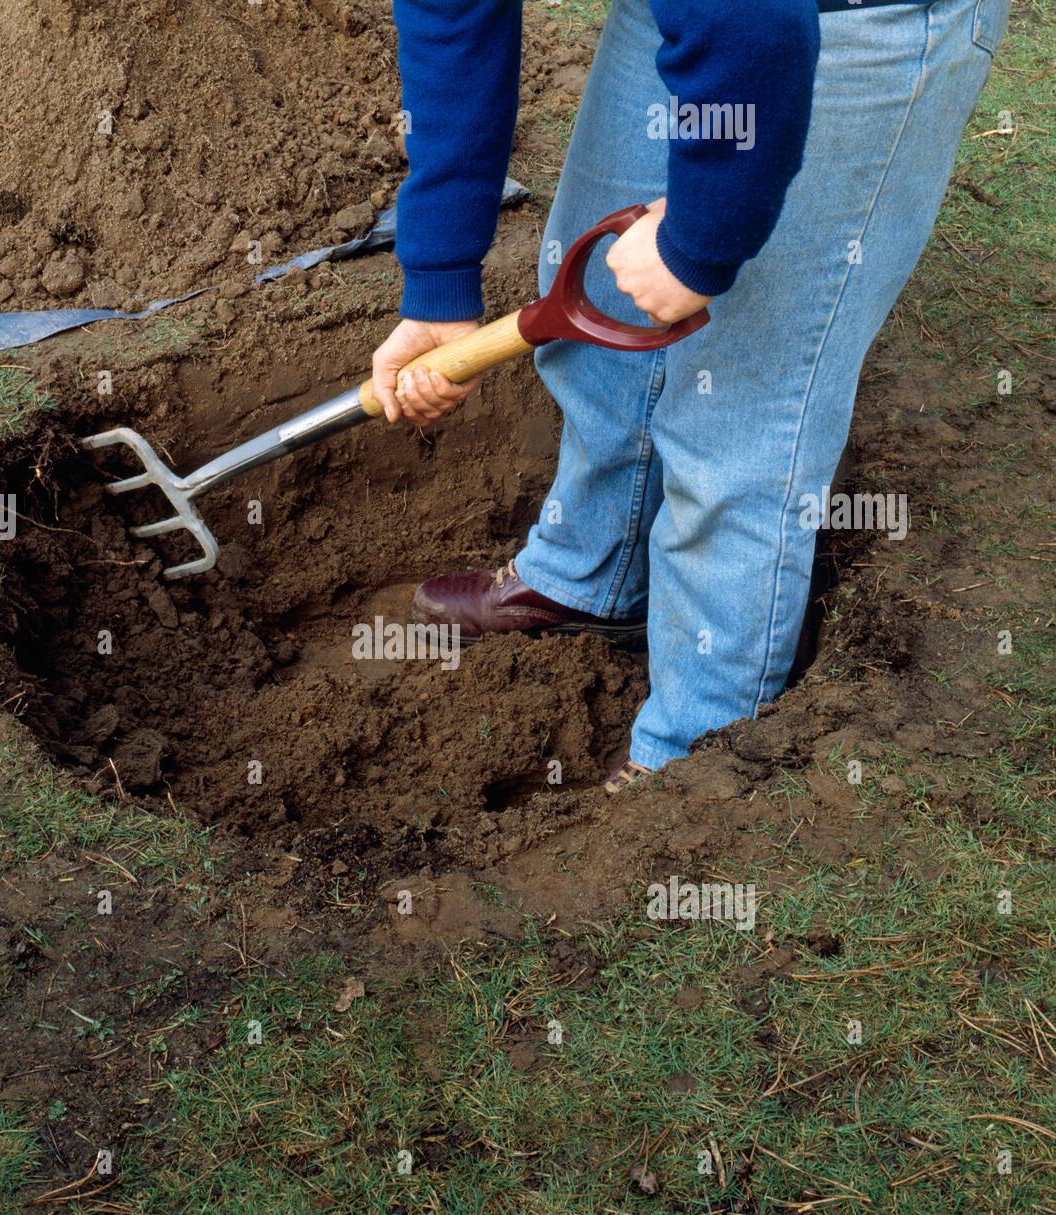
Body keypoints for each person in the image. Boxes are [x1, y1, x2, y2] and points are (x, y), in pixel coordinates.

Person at [371, 0, 1008, 791]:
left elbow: (758, 31)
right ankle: (589, 573)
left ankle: (697, 753)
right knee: (592, 306)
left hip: (845, 20)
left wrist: (700, 246)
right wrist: (439, 274)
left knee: (741, 411)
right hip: (706, 16)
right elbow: (452, 10)